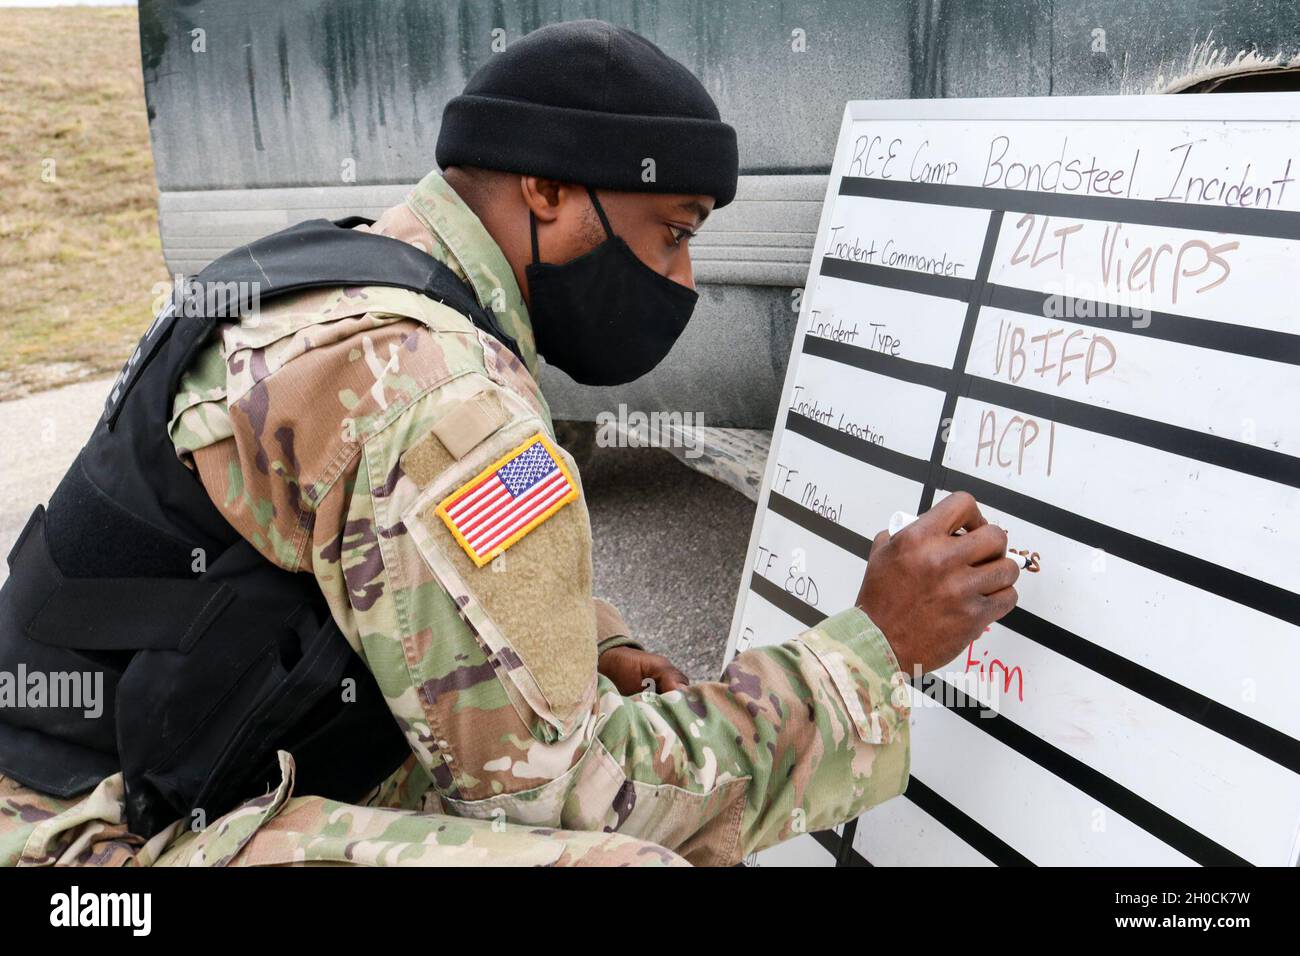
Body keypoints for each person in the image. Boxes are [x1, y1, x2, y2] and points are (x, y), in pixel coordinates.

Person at [0, 19, 1018, 867]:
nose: (688, 276)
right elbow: (573, 797)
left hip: (110, 761)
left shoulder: (347, 278)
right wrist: (873, 647)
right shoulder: (439, 392)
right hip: (86, 848)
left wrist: (595, 639)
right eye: (672, 228)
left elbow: (384, 569)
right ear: (546, 191)